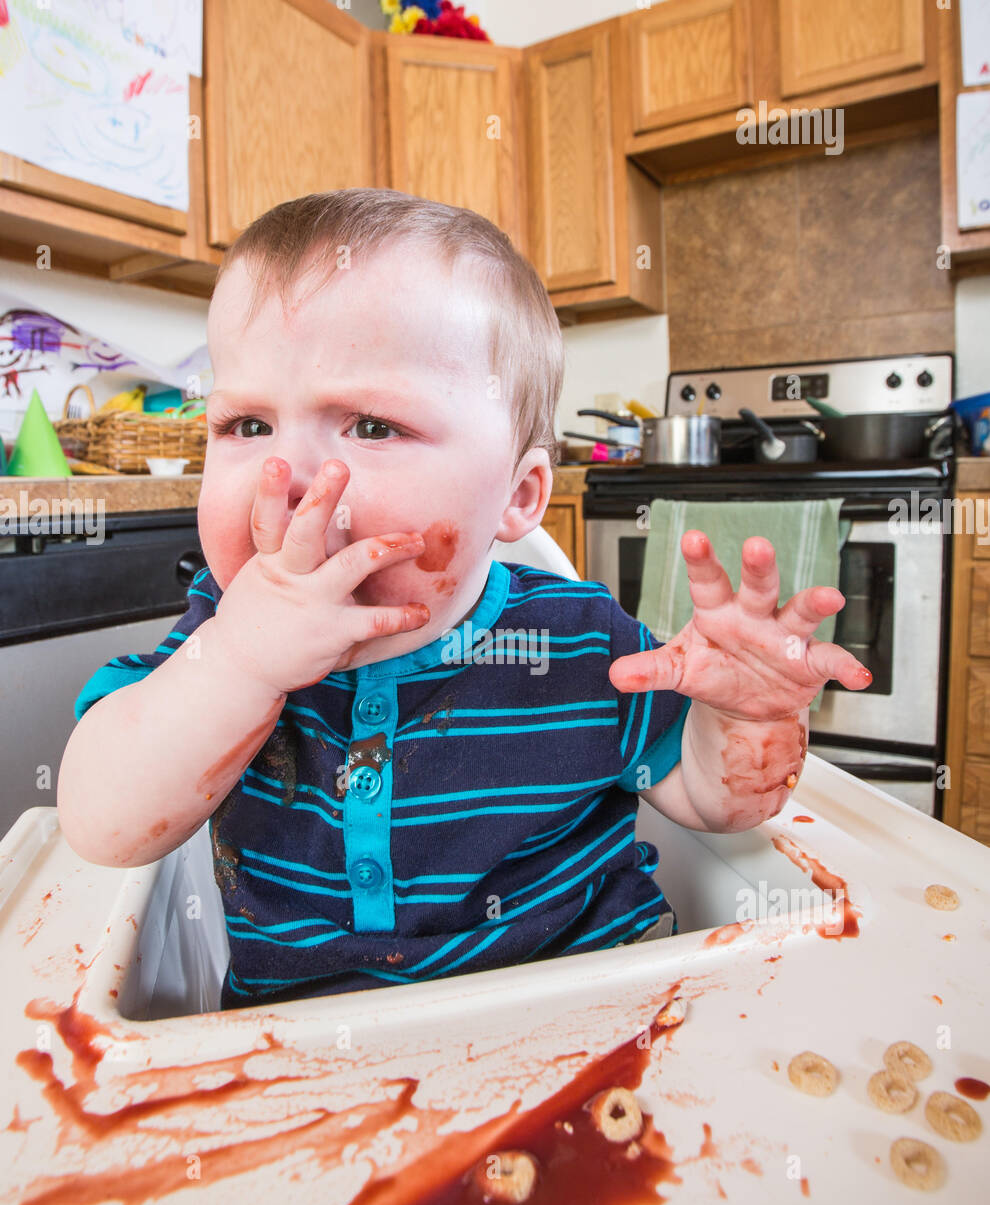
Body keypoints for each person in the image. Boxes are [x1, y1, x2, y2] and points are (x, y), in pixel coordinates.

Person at [57, 188, 870, 1008]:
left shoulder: (584, 644)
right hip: (306, 1080)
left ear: (518, 497)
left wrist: (752, 723)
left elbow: (711, 801)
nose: (292, 479)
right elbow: (104, 823)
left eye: (371, 426)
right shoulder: (217, 639)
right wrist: (239, 664)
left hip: (597, 1040)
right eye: (246, 426)